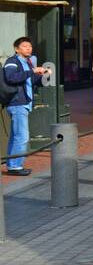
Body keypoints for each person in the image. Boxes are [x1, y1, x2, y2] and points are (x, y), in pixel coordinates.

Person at [3, 37, 49, 176]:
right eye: (24, 46)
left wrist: (43, 76)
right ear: (17, 49)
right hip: (17, 103)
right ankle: (16, 166)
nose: (28, 48)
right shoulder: (12, 61)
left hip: (24, 103)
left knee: (16, 136)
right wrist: (32, 71)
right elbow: (11, 78)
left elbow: (32, 80)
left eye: (29, 46)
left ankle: (12, 165)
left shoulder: (27, 62)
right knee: (22, 137)